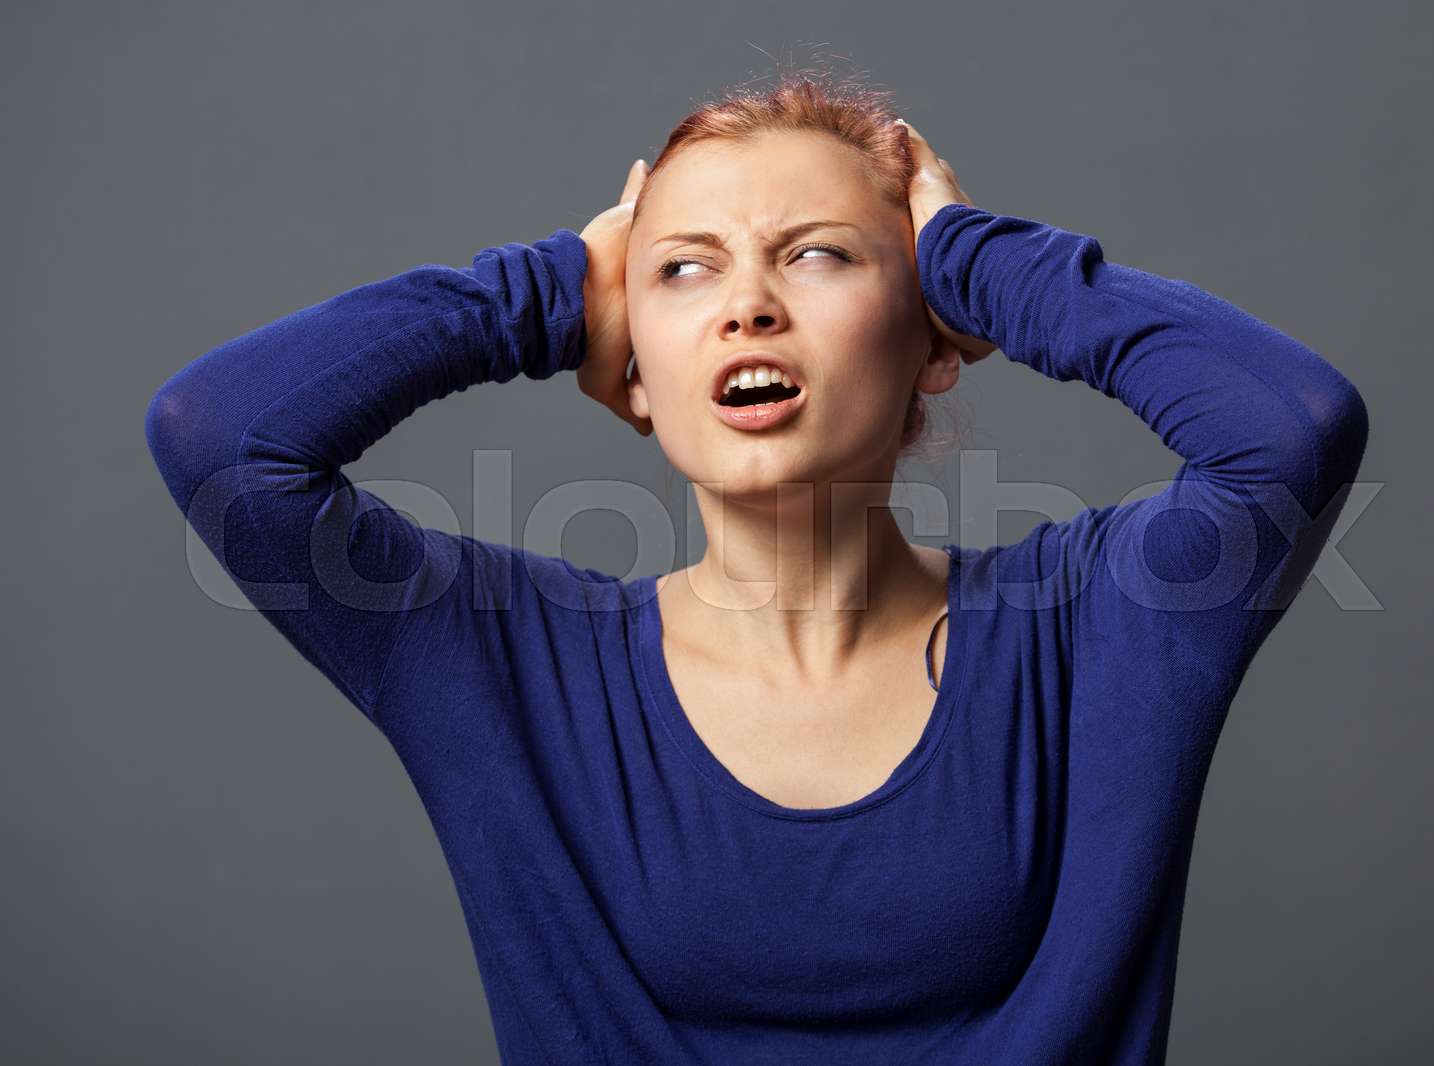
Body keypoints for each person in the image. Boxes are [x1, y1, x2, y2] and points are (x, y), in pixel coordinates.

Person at [145, 74, 1368, 1065]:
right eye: (681, 268)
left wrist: (985, 263)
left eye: (820, 256)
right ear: (629, 363)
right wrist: (543, 292)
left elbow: (1288, 428)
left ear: (934, 340)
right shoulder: (503, 658)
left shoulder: (1091, 626)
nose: (746, 307)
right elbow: (223, 436)